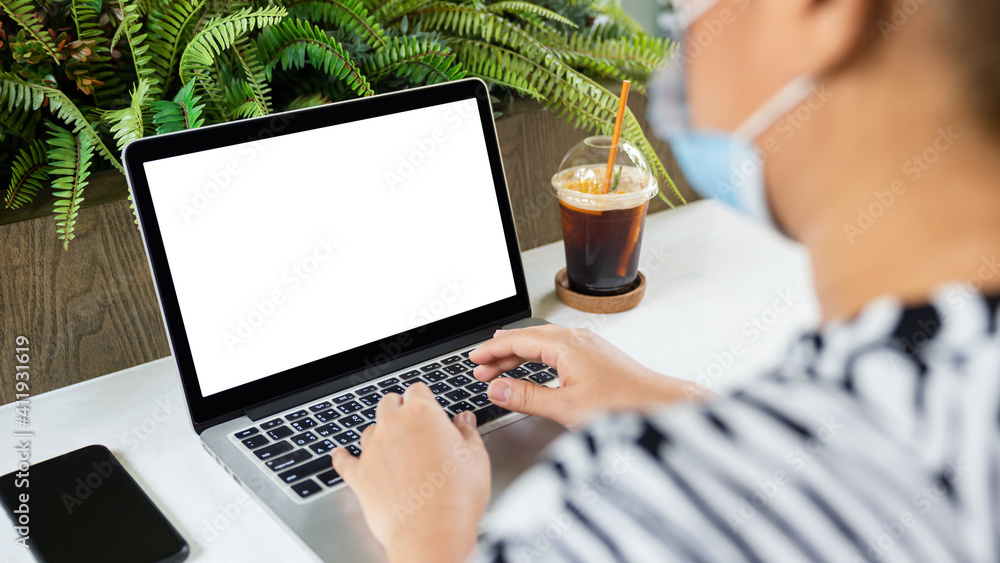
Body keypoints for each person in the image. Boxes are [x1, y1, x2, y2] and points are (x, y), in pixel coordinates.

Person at [330, 0, 1000, 560]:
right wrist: (680, 407)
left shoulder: (640, 516)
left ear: (820, 10)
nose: (676, 48)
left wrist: (428, 528)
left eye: (682, 11)